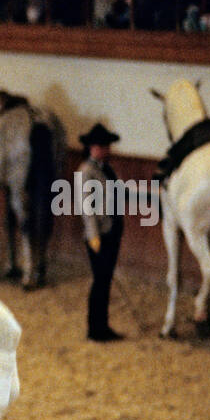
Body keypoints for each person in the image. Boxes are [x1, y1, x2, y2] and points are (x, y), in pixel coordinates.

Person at [76, 122, 125, 342]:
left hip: (112, 230)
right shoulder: (87, 172)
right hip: (99, 234)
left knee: (105, 280)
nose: (105, 149)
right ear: (91, 148)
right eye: (101, 145)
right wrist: (93, 234)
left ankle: (102, 325)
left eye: (106, 145)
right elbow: (87, 207)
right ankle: (95, 328)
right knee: (100, 280)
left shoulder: (107, 169)